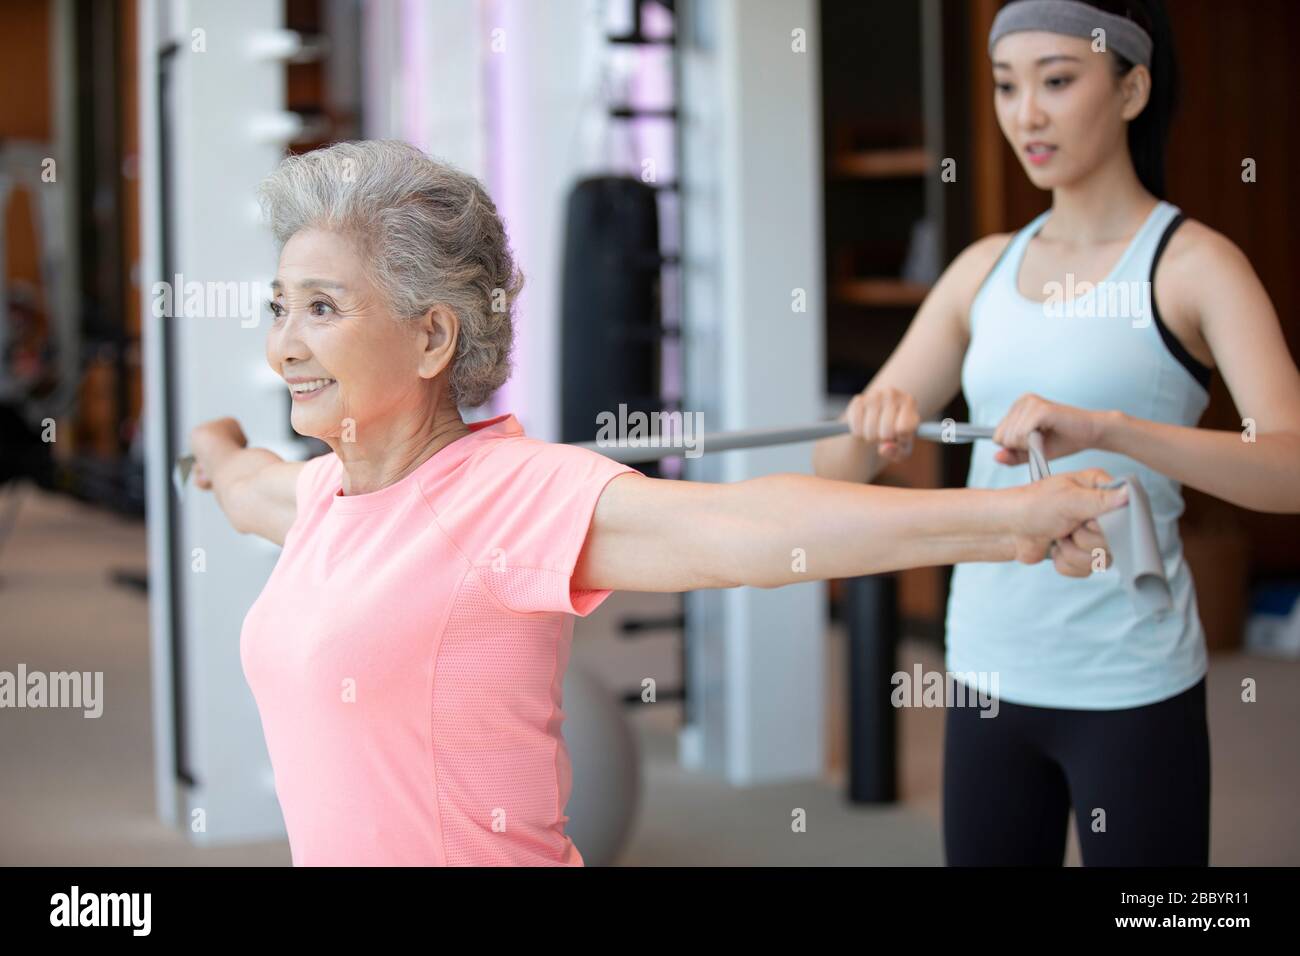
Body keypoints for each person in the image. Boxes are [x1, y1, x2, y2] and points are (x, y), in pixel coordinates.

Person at [189, 138, 1128, 866]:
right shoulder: (319, 496)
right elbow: (243, 484)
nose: (284, 346)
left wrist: (1010, 523)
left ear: (433, 336)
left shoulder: (511, 500)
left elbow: (750, 531)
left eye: (320, 308)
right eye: (278, 308)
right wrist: (215, 447)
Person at [814, 0, 1300, 866]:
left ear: (1132, 87)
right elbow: (833, 462)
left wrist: (1112, 429)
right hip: (988, 668)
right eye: (1007, 86)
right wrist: (870, 430)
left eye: (1058, 81)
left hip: (1132, 677)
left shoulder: (1195, 266)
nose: (1025, 114)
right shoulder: (981, 269)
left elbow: (1291, 470)